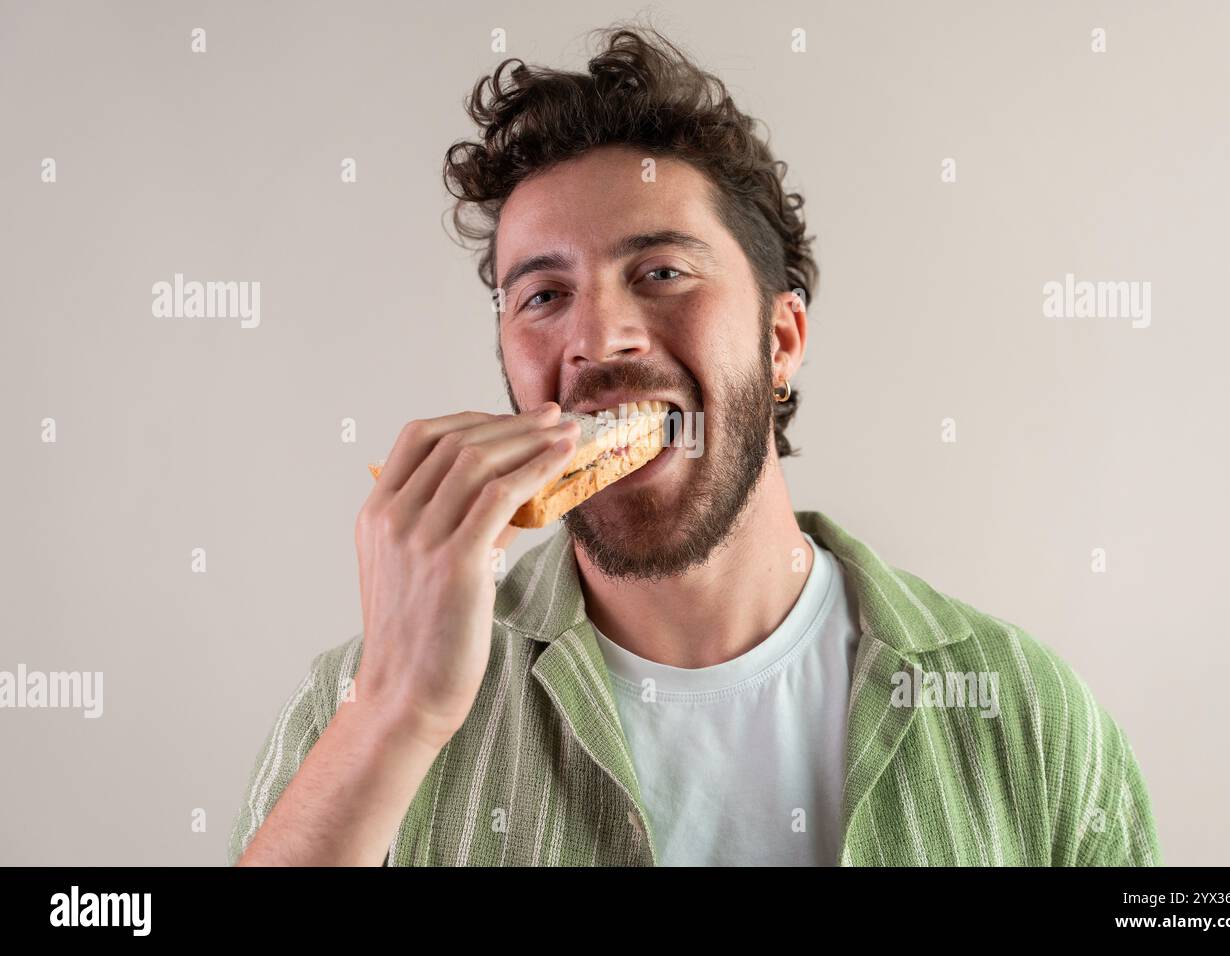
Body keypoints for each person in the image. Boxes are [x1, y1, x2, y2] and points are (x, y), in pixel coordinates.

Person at [228, 25, 1160, 867]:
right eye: (543, 296)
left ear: (782, 338)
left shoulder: (1028, 713)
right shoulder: (363, 703)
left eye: (662, 272)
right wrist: (397, 712)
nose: (600, 340)